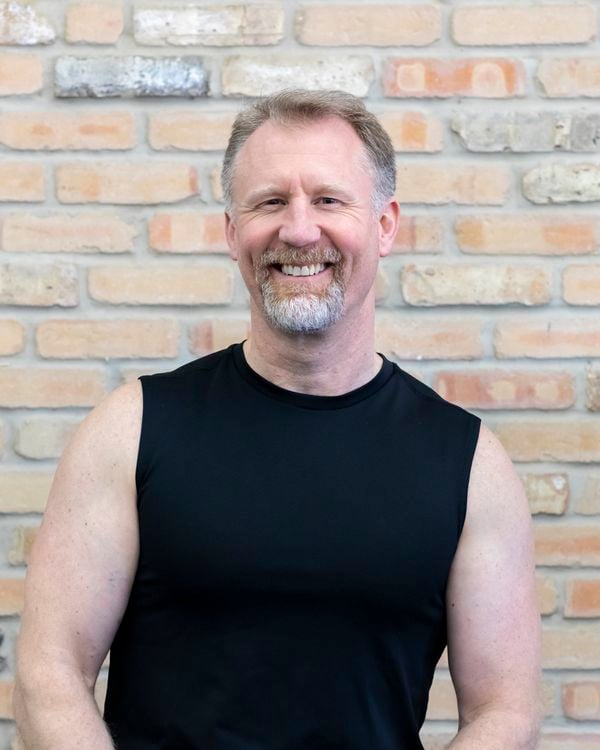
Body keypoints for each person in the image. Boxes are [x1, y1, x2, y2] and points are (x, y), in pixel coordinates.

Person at [14, 89, 542, 749]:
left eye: (328, 200)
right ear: (231, 230)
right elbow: (49, 674)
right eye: (269, 202)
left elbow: (504, 712)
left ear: (385, 226)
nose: (298, 230)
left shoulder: (467, 463)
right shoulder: (131, 432)